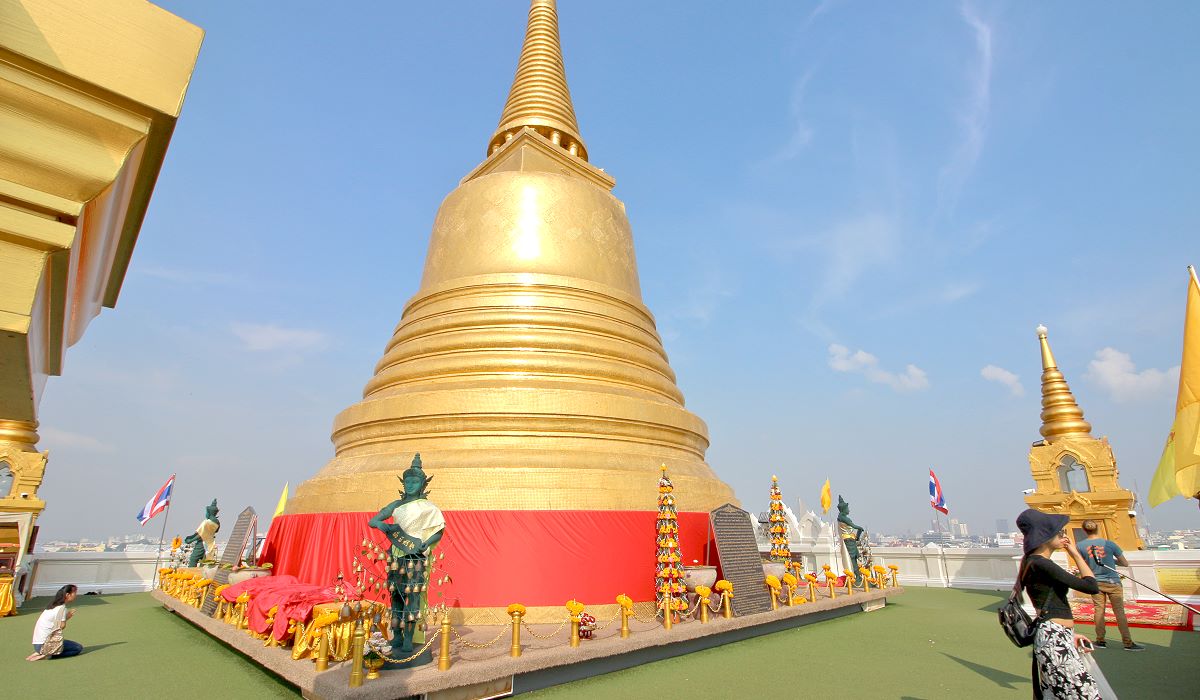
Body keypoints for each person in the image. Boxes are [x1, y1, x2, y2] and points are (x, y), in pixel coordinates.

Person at [1017, 509, 1102, 699]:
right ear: (1045, 535)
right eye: (1060, 532)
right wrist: (1076, 554)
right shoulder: (1041, 563)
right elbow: (1091, 586)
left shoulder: (1033, 562)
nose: (1064, 536)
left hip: (1055, 634)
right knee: (1083, 693)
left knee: (1063, 694)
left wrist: (1069, 634)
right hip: (1053, 637)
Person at [1076, 520, 1144, 651]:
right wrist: (1111, 561)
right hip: (1113, 582)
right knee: (1119, 612)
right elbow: (1124, 563)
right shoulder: (1109, 544)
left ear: (1084, 530)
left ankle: (1100, 641)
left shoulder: (1079, 546)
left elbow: (1082, 564)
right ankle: (1127, 642)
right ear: (1098, 529)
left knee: (1099, 610)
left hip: (1095, 582)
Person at [27, 584, 83, 661]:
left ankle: (41, 652)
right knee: (78, 648)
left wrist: (66, 617)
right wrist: (66, 618)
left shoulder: (51, 606)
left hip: (37, 644)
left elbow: (53, 623)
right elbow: (61, 626)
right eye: (74, 593)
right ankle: (48, 654)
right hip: (46, 644)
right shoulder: (62, 608)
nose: (76, 595)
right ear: (67, 595)